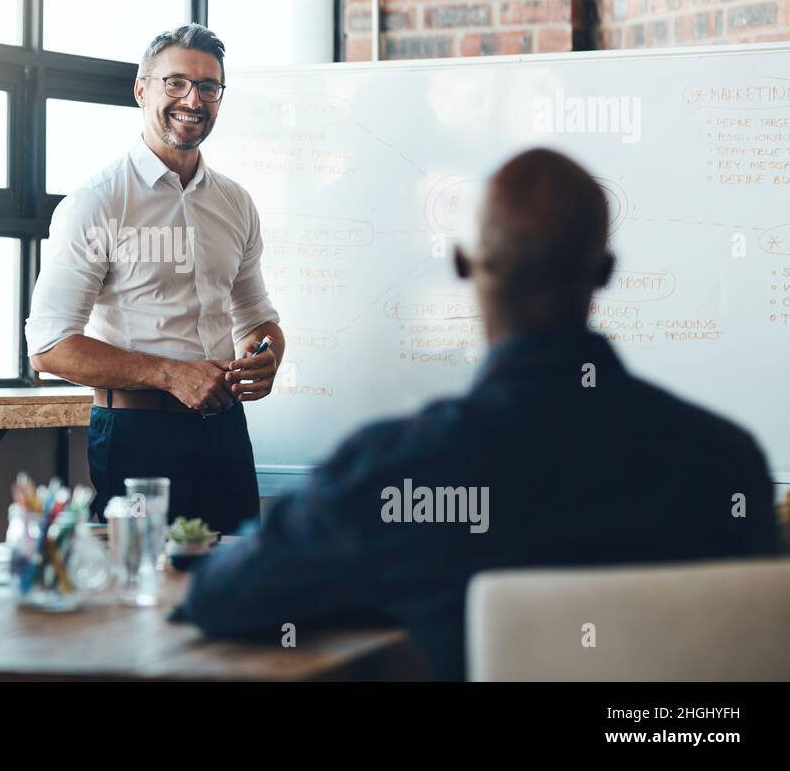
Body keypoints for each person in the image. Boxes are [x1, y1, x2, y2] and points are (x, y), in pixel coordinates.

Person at [184, 148, 779, 680]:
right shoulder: (726, 462)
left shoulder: (396, 473)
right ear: (605, 271)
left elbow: (223, 599)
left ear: (465, 264)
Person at [25, 24, 285, 533]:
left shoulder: (236, 202)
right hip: (136, 434)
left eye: (209, 87)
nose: (193, 99)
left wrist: (266, 353)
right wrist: (172, 374)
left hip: (227, 431)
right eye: (176, 83)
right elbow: (49, 345)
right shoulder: (97, 201)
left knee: (236, 586)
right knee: (141, 593)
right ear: (141, 89)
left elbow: (257, 318)